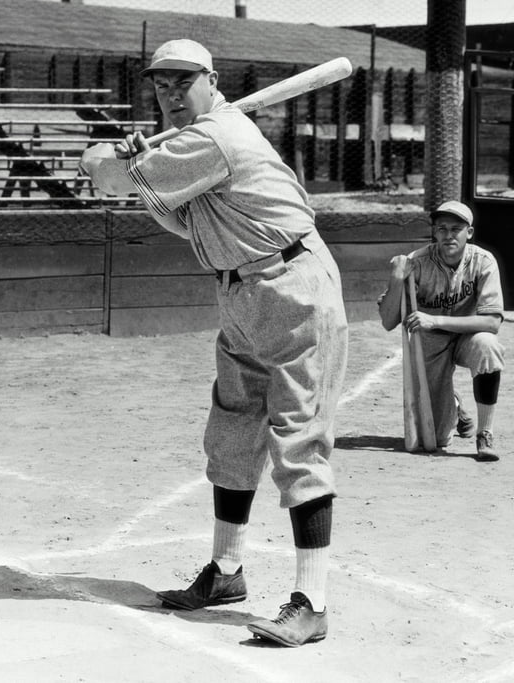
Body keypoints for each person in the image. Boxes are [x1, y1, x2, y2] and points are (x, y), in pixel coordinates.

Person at [80, 39, 348, 647]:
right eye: (161, 84)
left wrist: (104, 157)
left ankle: (312, 603)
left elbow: (109, 179)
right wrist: (145, 167)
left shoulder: (216, 137)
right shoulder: (194, 142)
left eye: (184, 82)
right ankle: (226, 572)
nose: (171, 94)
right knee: (231, 430)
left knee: (298, 438)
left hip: (293, 289)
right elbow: (179, 217)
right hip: (242, 292)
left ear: (212, 81)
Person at [377, 199, 505, 462]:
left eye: (456, 229)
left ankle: (485, 433)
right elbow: (388, 322)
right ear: (434, 233)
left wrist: (435, 321)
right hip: (431, 344)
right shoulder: (416, 262)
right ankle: (454, 406)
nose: (449, 235)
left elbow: (492, 323)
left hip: (468, 336)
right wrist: (396, 279)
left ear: (469, 232)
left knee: (488, 346)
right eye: (442, 229)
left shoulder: (483, 262)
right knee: (435, 439)